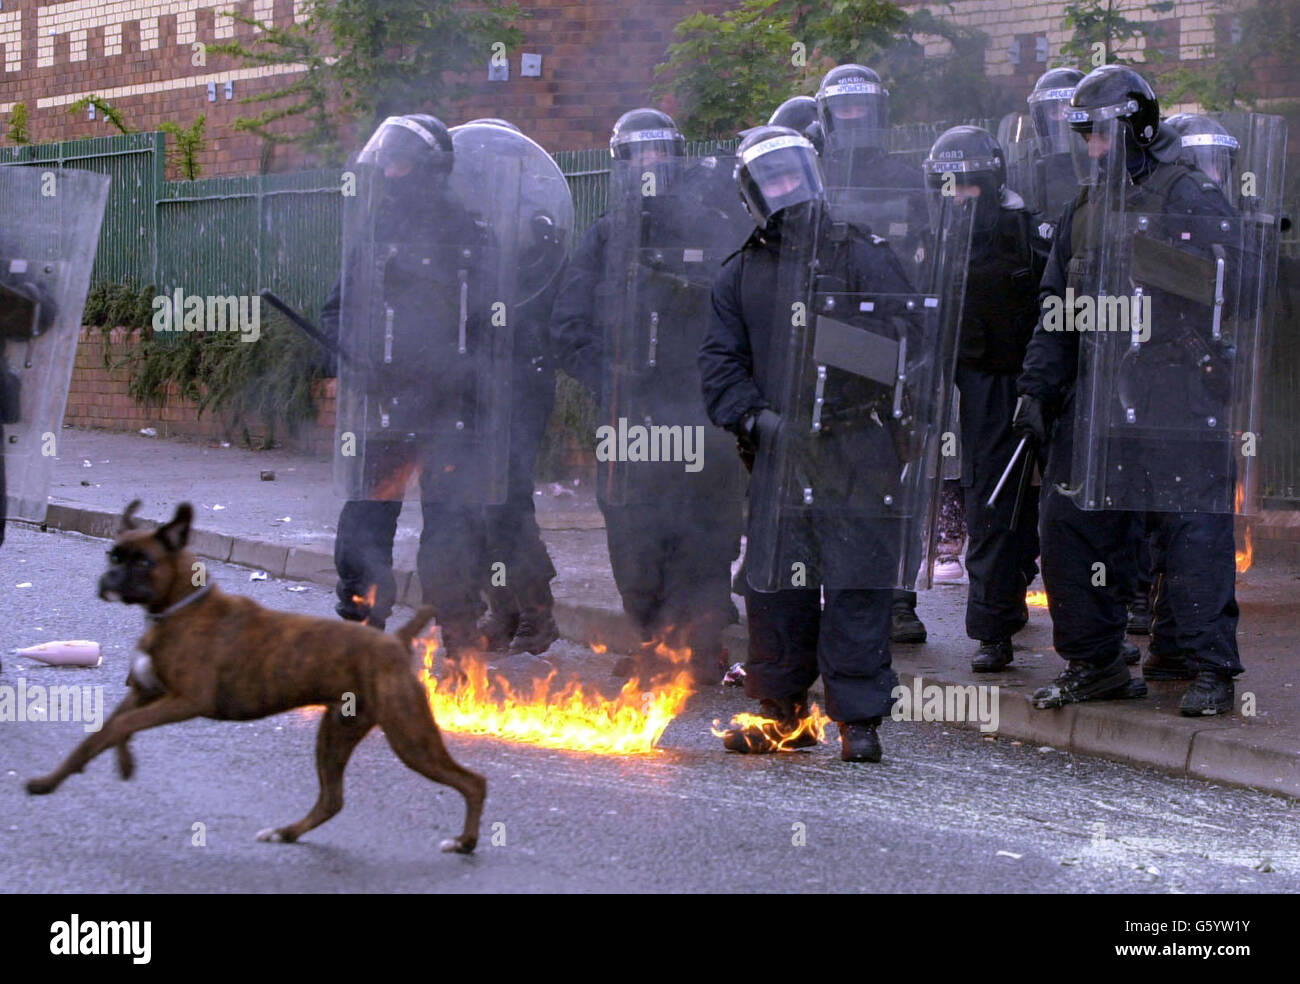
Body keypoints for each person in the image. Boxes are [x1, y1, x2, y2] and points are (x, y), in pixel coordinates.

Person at [700, 124, 964, 761]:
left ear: (812, 175)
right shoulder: (740, 274)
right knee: (776, 589)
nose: (787, 190)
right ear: (754, 194)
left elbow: (916, 338)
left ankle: (859, 717)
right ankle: (779, 711)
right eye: (773, 181)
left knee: (857, 582)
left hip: (856, 446)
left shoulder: (863, 253)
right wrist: (760, 423)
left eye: (794, 175)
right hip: (779, 452)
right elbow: (719, 365)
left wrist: (893, 405)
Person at [1015, 65, 1257, 715]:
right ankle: (1095, 663)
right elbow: (1054, 307)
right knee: (1070, 525)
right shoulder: (1085, 210)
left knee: (1192, 531)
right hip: (1098, 392)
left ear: (1134, 130)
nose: (1092, 148)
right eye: (1084, 136)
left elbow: (1240, 283)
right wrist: (1037, 390)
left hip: (1175, 387)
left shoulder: (1187, 195)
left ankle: (1208, 666)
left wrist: (1150, 265)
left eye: (1100, 135)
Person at [549, 108, 748, 685]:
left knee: (707, 533)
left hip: (702, 414)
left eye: (661, 152)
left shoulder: (714, 228)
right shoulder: (608, 237)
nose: (651, 165)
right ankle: (656, 640)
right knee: (635, 534)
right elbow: (568, 325)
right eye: (639, 154)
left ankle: (700, 646)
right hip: (631, 418)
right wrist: (611, 380)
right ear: (622, 164)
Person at [324, 113, 498, 661]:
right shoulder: (373, 236)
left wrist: (468, 378)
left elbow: (496, 325)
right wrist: (350, 361)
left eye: (401, 163)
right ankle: (361, 631)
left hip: (451, 409)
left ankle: (460, 638)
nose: (391, 174)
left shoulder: (470, 237)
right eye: (387, 164)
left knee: (451, 527)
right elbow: (336, 311)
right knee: (366, 518)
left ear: (429, 169)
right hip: (383, 407)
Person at [922, 126, 1049, 671]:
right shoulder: (938, 243)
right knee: (991, 505)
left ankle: (1094, 632)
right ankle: (993, 628)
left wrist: (1046, 382)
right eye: (948, 189)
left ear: (990, 182)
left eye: (966, 187)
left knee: (1060, 510)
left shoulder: (1029, 232)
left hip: (1041, 380)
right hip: (979, 386)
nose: (957, 198)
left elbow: (1062, 306)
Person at [814, 63, 932, 644]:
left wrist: (918, 339)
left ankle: (897, 597)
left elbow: (931, 258)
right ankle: (831, 590)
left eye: (864, 109)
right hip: (823, 346)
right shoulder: (812, 174)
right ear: (828, 115)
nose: (854, 120)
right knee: (825, 477)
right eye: (845, 109)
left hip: (891, 340)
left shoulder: (907, 179)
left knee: (896, 476)